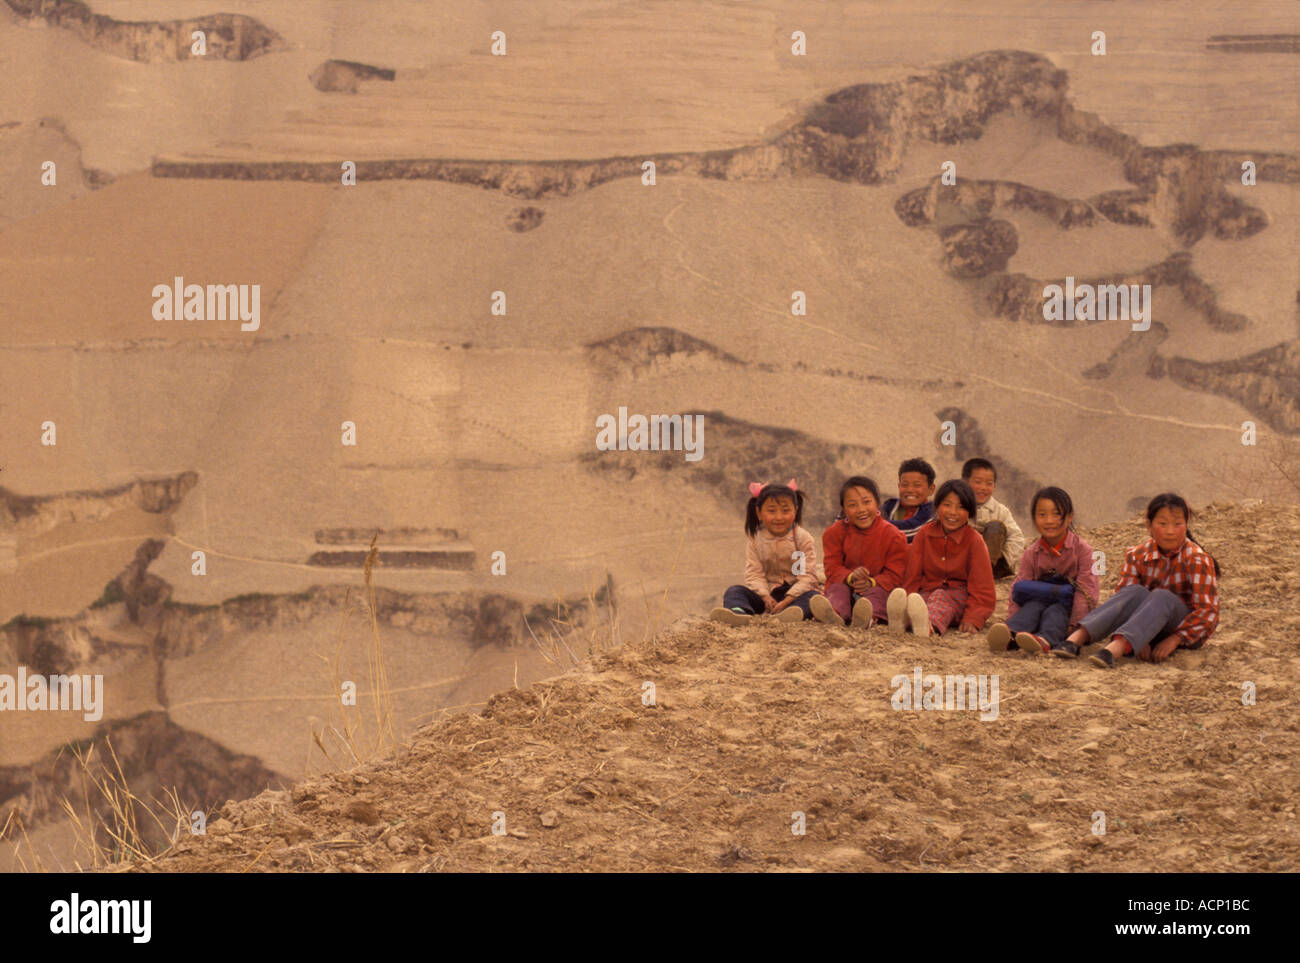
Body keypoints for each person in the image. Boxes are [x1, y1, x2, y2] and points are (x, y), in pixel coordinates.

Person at [1055, 493, 1220, 667]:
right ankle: (1076, 638)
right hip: (1141, 626)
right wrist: (1143, 639)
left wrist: (1175, 639)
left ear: (1186, 526)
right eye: (1162, 524)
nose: (1170, 531)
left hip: (1183, 630)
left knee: (1162, 596)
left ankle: (1114, 650)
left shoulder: (1197, 558)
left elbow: (1208, 611)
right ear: (1149, 525)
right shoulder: (1137, 554)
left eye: (1177, 524)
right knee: (1135, 591)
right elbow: (1124, 598)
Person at [986, 486, 1099, 654]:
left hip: (1067, 610)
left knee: (1055, 611)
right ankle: (1010, 633)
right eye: (1042, 515)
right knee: (1032, 607)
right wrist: (1013, 615)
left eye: (1056, 514)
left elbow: (1088, 591)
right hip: (1038, 602)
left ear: (1069, 517)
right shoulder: (1031, 552)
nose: (1049, 521)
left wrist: (1075, 625)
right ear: (1034, 518)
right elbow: (1019, 587)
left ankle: (1045, 640)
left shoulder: (1085, 551)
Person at [888, 479, 996, 637]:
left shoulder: (975, 541)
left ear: (970, 512)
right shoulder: (924, 534)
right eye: (947, 505)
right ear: (937, 507)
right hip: (929, 590)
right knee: (918, 601)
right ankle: (902, 621)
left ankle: (929, 627)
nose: (953, 512)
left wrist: (973, 618)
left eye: (960, 507)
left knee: (941, 597)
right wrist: (909, 595)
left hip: (959, 597)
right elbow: (913, 574)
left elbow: (983, 588)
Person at [711, 479, 825, 625]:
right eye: (772, 511)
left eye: (785, 511)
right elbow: (754, 573)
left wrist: (788, 599)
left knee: (813, 597)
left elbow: (806, 576)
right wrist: (765, 596)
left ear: (795, 511)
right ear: (759, 513)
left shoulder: (802, 539)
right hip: (767, 595)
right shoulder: (756, 540)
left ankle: (793, 613)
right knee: (734, 591)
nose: (779, 517)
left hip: (795, 594)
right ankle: (737, 613)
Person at [812, 475, 907, 627]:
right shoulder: (834, 533)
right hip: (845, 584)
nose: (861, 510)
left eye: (866, 502)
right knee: (837, 589)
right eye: (852, 505)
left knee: (877, 595)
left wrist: (871, 582)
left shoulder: (894, 536)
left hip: (876, 586)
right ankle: (835, 615)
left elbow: (895, 574)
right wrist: (850, 577)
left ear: (877, 503)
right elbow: (831, 567)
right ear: (843, 509)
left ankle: (867, 618)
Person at [962, 457, 1025, 578]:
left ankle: (985, 571)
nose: (983, 487)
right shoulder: (957, 506)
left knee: (995, 526)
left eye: (989, 484)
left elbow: (1017, 538)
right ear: (964, 482)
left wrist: (1004, 558)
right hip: (964, 560)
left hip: (993, 563)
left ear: (994, 486)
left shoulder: (1000, 511)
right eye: (978, 482)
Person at [880, 458, 937, 543]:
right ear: (899, 486)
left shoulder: (932, 512)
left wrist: (878, 525)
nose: (909, 490)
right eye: (905, 484)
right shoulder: (891, 505)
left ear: (931, 489)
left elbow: (910, 530)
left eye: (917, 485)